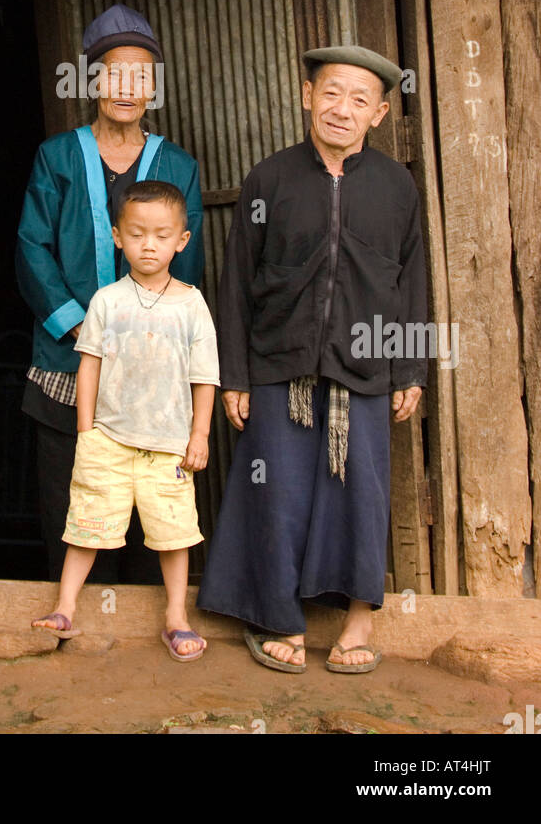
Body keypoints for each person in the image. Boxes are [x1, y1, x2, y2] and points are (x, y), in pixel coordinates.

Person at [197, 45, 428, 673]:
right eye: (330, 93)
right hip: (279, 367)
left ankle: (356, 622)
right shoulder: (269, 180)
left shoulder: (396, 186)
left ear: (378, 114)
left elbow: (412, 281)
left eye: (359, 99)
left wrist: (410, 368)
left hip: (366, 370)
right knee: (279, 492)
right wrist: (235, 375)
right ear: (306, 97)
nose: (341, 109)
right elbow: (237, 281)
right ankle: (280, 619)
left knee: (361, 494)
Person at [16, 4, 204, 579]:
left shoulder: (177, 165)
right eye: (113, 73)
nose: (126, 87)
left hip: (150, 361)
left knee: (152, 502)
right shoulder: (57, 157)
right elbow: (31, 247)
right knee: (75, 496)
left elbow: (185, 265)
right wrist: (81, 325)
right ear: (90, 80)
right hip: (67, 358)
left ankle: (146, 618)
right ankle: (74, 611)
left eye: (141, 75)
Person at [31, 180, 219, 658]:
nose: (148, 245)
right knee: (86, 525)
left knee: (174, 534)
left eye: (161, 235)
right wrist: (85, 430)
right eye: (137, 234)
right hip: (109, 441)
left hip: (169, 447)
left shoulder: (192, 305)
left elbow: (205, 376)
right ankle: (65, 607)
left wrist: (199, 435)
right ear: (118, 237)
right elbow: (89, 363)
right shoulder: (107, 301)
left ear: (182, 240)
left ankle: (176, 617)